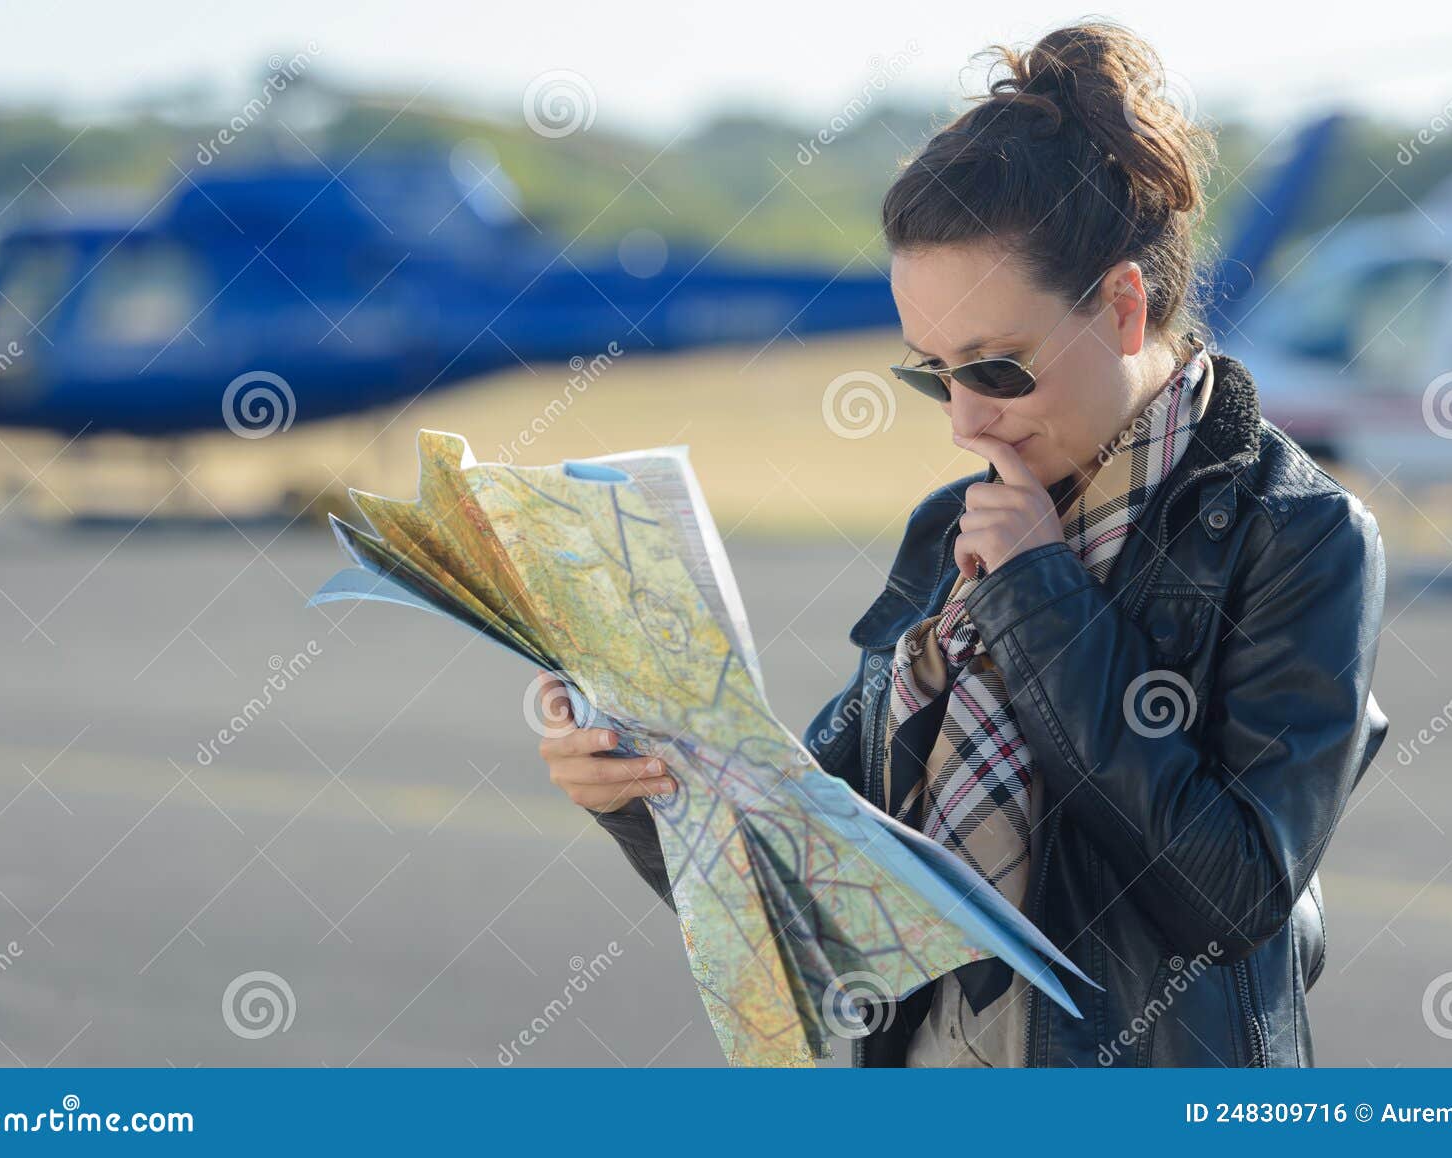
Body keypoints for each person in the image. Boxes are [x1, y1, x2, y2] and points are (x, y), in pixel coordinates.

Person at [538, 19, 1389, 1067]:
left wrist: (1039, 596)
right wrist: (646, 788)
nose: (961, 420)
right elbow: (816, 895)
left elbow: (1227, 902)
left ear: (1124, 307)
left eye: (993, 368)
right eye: (930, 371)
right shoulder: (955, 523)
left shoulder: (1296, 535)